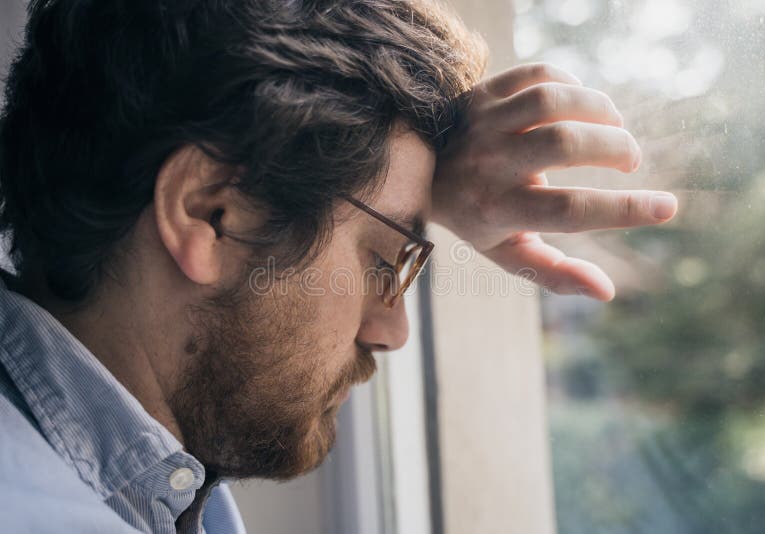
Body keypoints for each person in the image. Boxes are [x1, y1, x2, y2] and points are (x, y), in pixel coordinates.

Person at [0, 0, 678, 532]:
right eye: (384, 261)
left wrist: (406, 192)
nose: (391, 331)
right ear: (210, 214)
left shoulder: (145, 480)